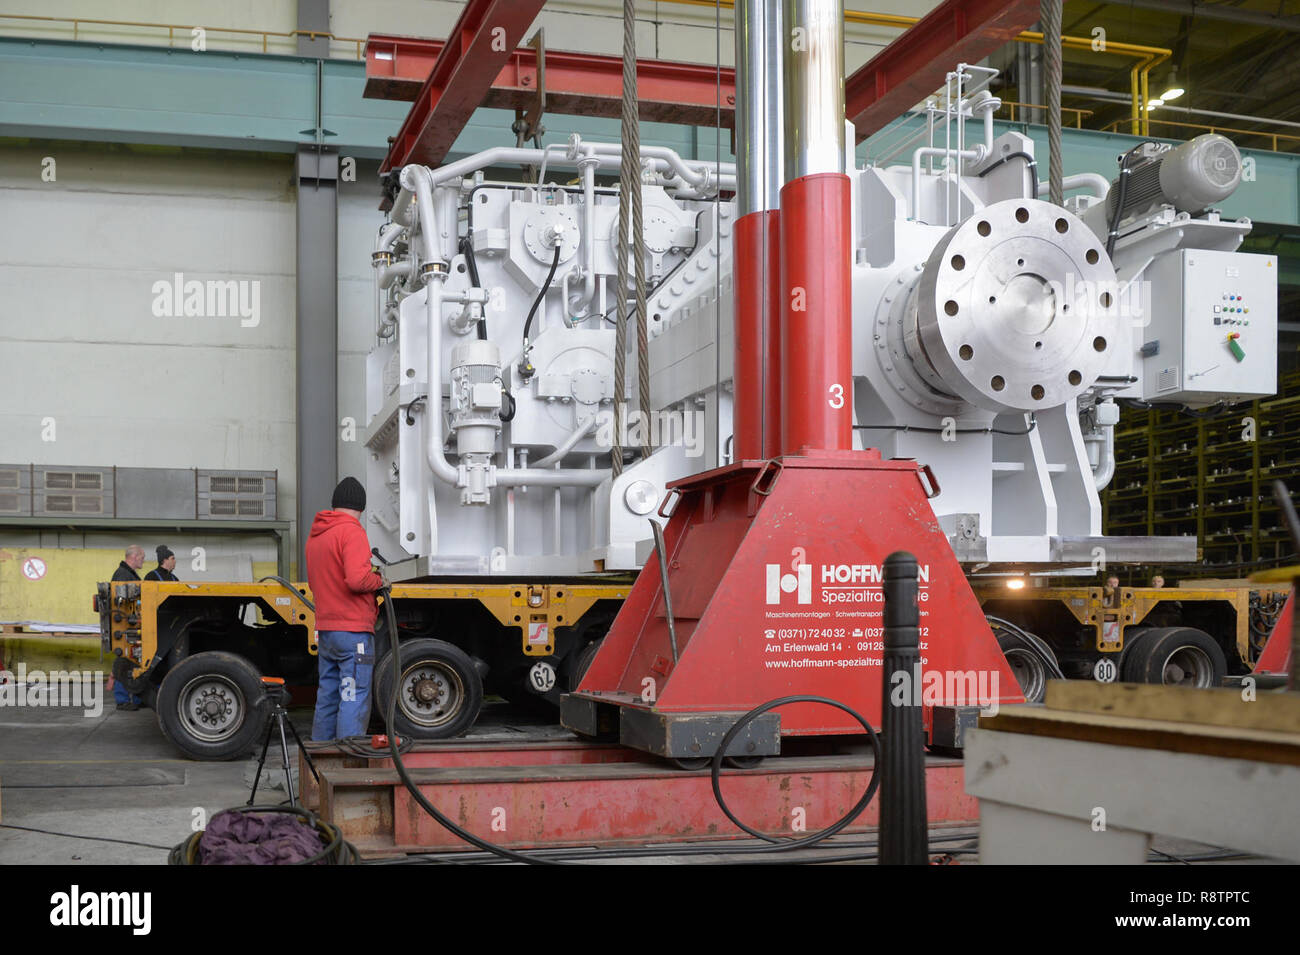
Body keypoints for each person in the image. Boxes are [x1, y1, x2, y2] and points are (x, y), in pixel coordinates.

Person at [306, 477, 386, 741]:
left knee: (328, 695)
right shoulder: (352, 532)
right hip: (353, 632)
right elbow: (357, 580)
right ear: (361, 506)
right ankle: (349, 758)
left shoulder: (317, 535)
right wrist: (380, 581)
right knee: (353, 694)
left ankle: (322, 756)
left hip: (327, 630)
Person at [109, 546, 145, 709]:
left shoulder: (128, 574)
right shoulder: (123, 575)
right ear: (135, 556)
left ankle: (136, 698)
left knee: (134, 660)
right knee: (124, 660)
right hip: (125, 625)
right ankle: (122, 700)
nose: (143, 560)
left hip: (131, 623)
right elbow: (122, 602)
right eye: (142, 557)